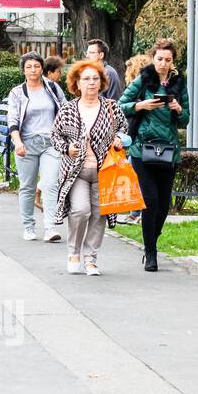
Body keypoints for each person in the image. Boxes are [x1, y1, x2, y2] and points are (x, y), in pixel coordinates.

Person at [50, 60, 130, 277]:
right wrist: (67, 148)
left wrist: (121, 138)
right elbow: (55, 136)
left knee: (99, 214)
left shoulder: (111, 107)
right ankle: (73, 253)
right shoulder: (68, 109)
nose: (91, 83)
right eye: (86, 79)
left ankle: (91, 259)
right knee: (80, 210)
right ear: (77, 82)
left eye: (95, 78)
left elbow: (124, 128)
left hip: (105, 170)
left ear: (102, 82)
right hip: (76, 171)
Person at [118, 38, 189, 272]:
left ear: (173, 61)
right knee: (150, 200)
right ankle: (150, 253)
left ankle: (152, 239)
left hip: (168, 150)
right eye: (159, 59)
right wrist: (142, 106)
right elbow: (121, 104)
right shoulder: (144, 79)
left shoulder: (179, 83)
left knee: (164, 205)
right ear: (153, 58)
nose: (163, 63)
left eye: (168, 60)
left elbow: (186, 119)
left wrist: (178, 109)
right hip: (142, 149)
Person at [8, 52, 67, 242]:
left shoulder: (52, 88)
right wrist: (18, 142)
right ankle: (28, 226)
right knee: (28, 186)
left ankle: (50, 227)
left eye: (36, 66)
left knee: (50, 184)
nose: (33, 70)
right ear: (23, 70)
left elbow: (65, 112)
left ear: (42, 68)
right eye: (29, 67)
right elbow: (13, 120)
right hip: (26, 144)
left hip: (51, 143)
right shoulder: (17, 92)